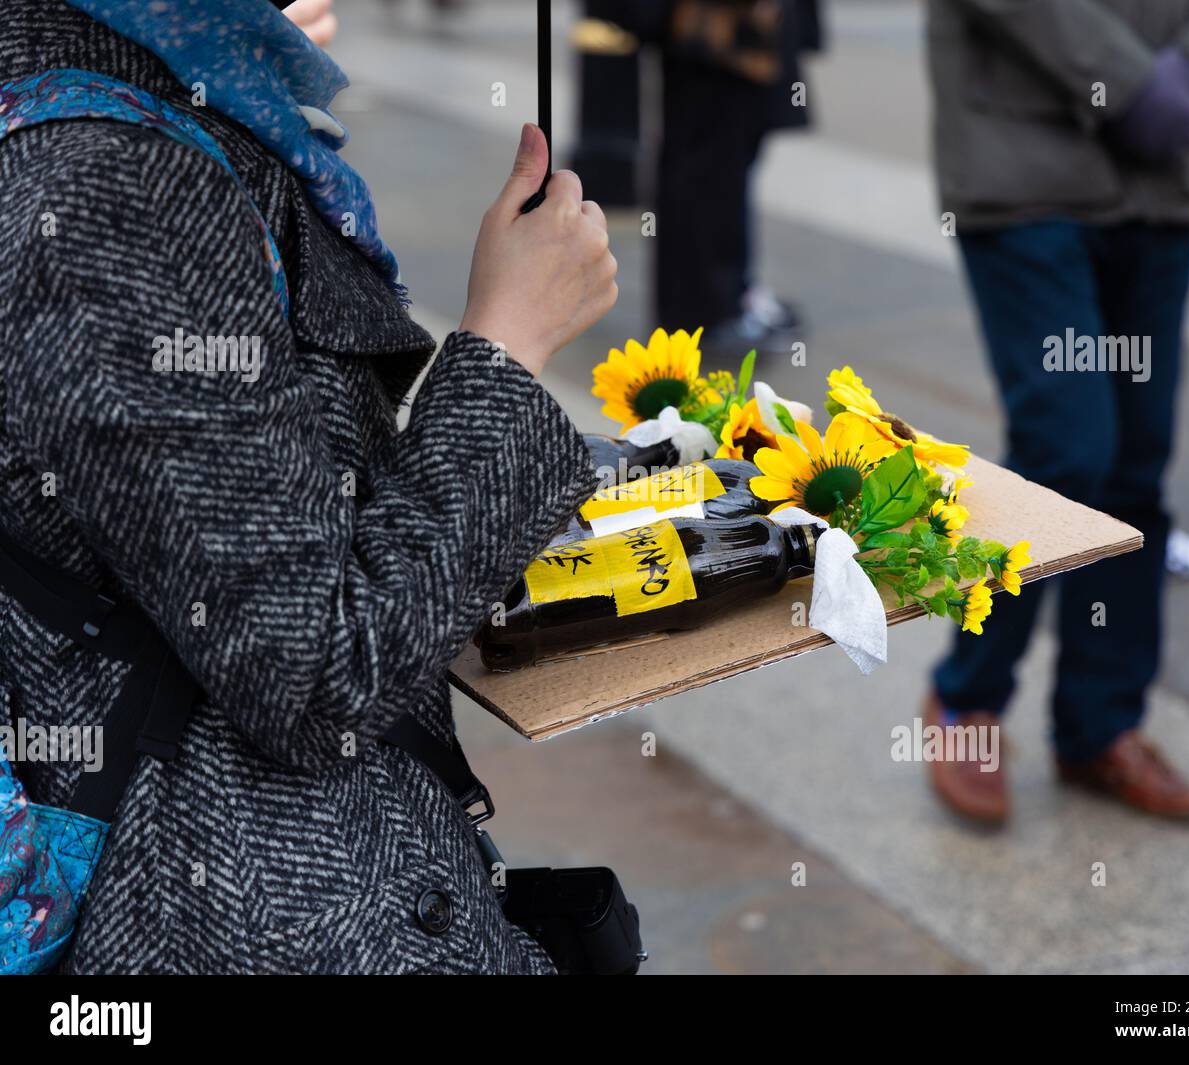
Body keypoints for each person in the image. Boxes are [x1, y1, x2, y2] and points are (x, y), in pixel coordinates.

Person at [0, 0, 615, 973]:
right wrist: (508, 343)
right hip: (258, 907)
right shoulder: (115, 179)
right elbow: (314, 670)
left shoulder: (122, 86)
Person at [921, 0, 1189, 825]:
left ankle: (1101, 724)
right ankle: (965, 700)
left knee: (1136, 467)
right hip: (1027, 165)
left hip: (1166, 171)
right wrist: (1133, 85)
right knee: (1066, 449)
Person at [651, 0, 822, 356]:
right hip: (711, 38)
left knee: (728, 172)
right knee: (706, 173)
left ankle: (730, 296)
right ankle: (706, 313)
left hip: (738, 40)